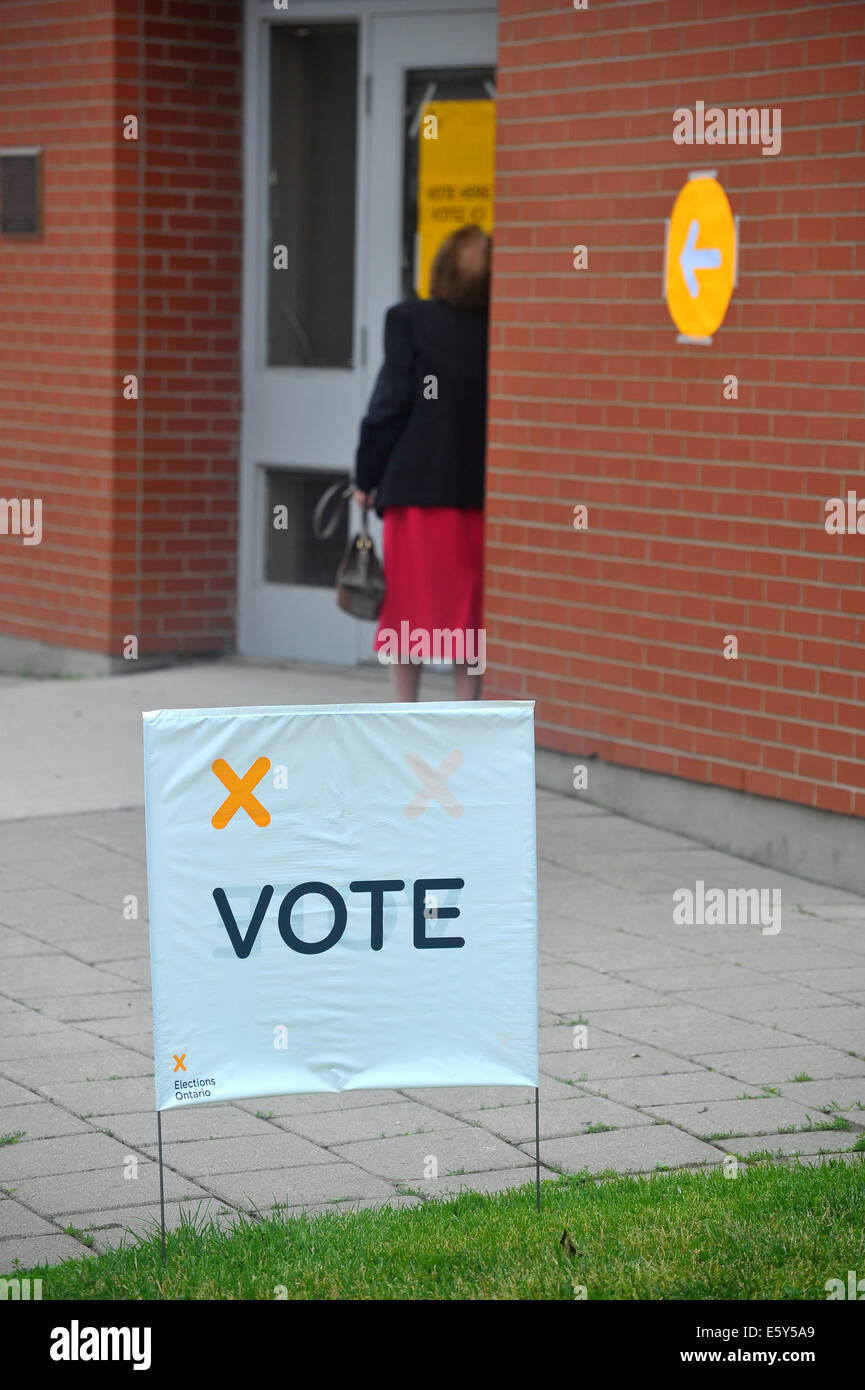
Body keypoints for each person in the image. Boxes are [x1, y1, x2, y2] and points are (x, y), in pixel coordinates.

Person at [352, 224, 490, 701]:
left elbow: (389, 405)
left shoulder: (408, 321)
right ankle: (467, 714)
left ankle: (404, 714)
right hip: (476, 493)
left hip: (414, 491)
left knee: (407, 609)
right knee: (467, 615)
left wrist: (365, 476)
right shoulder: (498, 327)